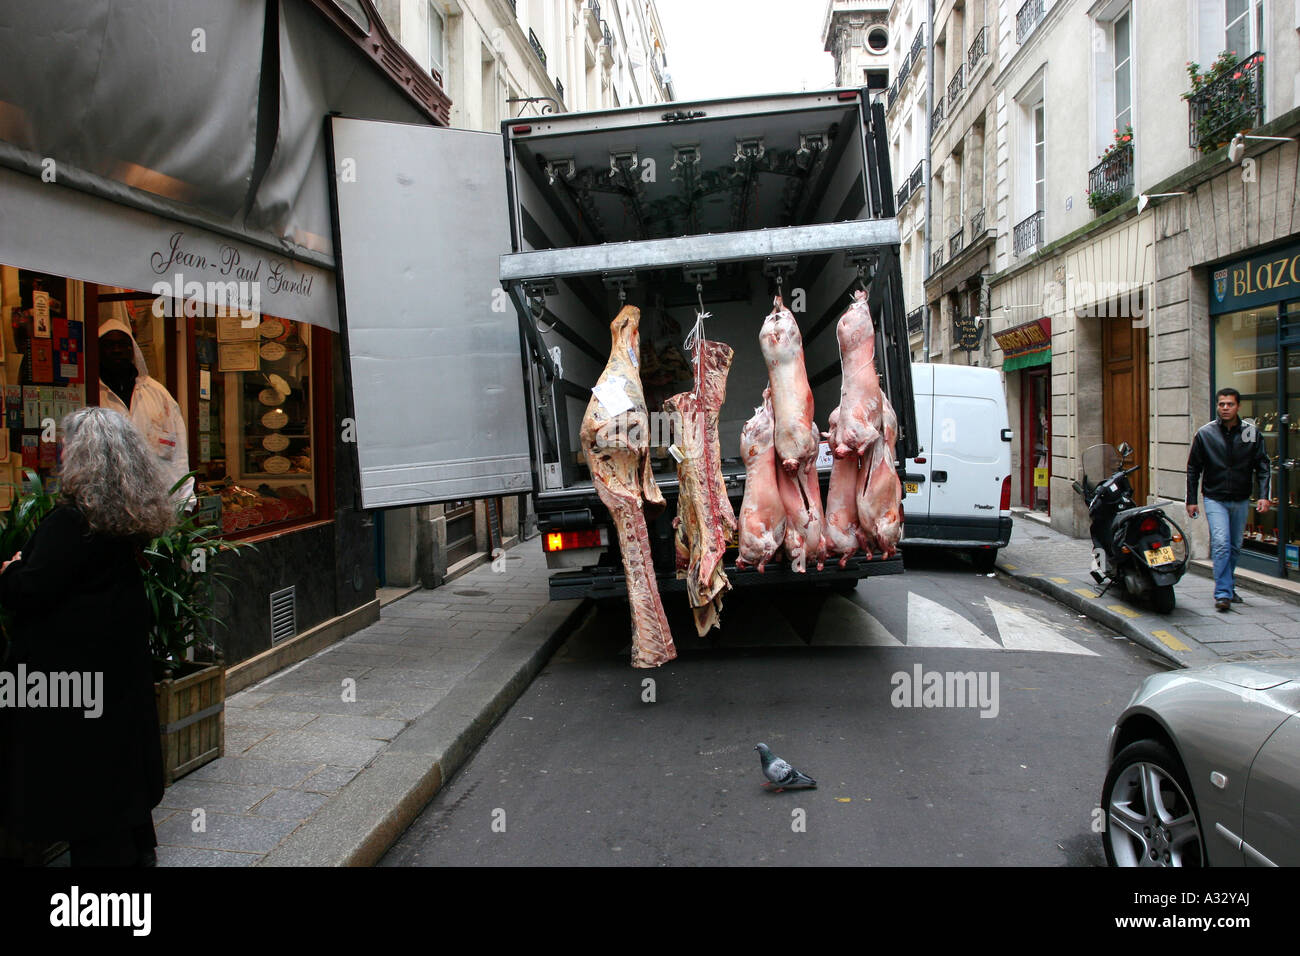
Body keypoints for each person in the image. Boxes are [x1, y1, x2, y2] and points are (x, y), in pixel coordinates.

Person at [0, 407, 176, 865]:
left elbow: (30, 589)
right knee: (116, 777)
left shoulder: (73, 520)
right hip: (115, 674)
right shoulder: (123, 516)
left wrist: (11, 569)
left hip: (71, 681)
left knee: (86, 788)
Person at [1185, 387, 1272, 611]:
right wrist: (1191, 499)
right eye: (1221, 404)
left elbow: (1263, 466)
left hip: (1241, 498)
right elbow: (1194, 468)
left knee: (1234, 546)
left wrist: (1264, 496)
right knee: (1222, 544)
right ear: (1217, 406)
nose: (1225, 408)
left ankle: (1229, 587)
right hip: (1215, 497)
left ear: (1238, 406)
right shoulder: (1205, 433)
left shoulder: (1251, 433)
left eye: (1230, 404)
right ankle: (1222, 594)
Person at [97, 316, 194, 500]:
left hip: (159, 507)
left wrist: (186, 503)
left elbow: (179, 455)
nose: (117, 351)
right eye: (109, 345)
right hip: (109, 508)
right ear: (99, 351)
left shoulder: (158, 395)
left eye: (122, 345)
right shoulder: (91, 396)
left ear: (132, 349)